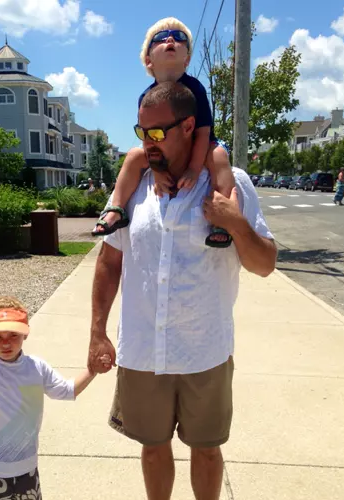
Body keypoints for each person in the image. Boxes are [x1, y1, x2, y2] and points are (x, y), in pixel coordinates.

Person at [88, 82, 277, 500]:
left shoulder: (231, 183)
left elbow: (264, 264)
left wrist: (236, 223)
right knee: (153, 450)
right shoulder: (133, 184)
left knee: (207, 452)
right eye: (142, 132)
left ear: (190, 125)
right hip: (142, 350)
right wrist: (97, 330)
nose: (148, 143)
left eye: (158, 132)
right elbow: (110, 260)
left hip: (204, 351)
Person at [0, 296, 107, 500]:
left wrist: (91, 371)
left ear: (25, 335)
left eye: (13, 335)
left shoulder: (36, 368)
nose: (6, 343)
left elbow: (67, 391)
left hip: (27, 469)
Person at [92, 17, 235, 248]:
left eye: (179, 38)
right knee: (133, 156)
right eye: (160, 38)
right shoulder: (146, 97)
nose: (170, 39)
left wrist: (194, 168)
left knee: (218, 156)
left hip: (202, 147)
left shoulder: (195, 89)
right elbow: (150, 139)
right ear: (149, 60)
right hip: (164, 151)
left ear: (187, 59)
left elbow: (202, 132)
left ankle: (224, 219)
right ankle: (115, 208)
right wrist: (158, 172)